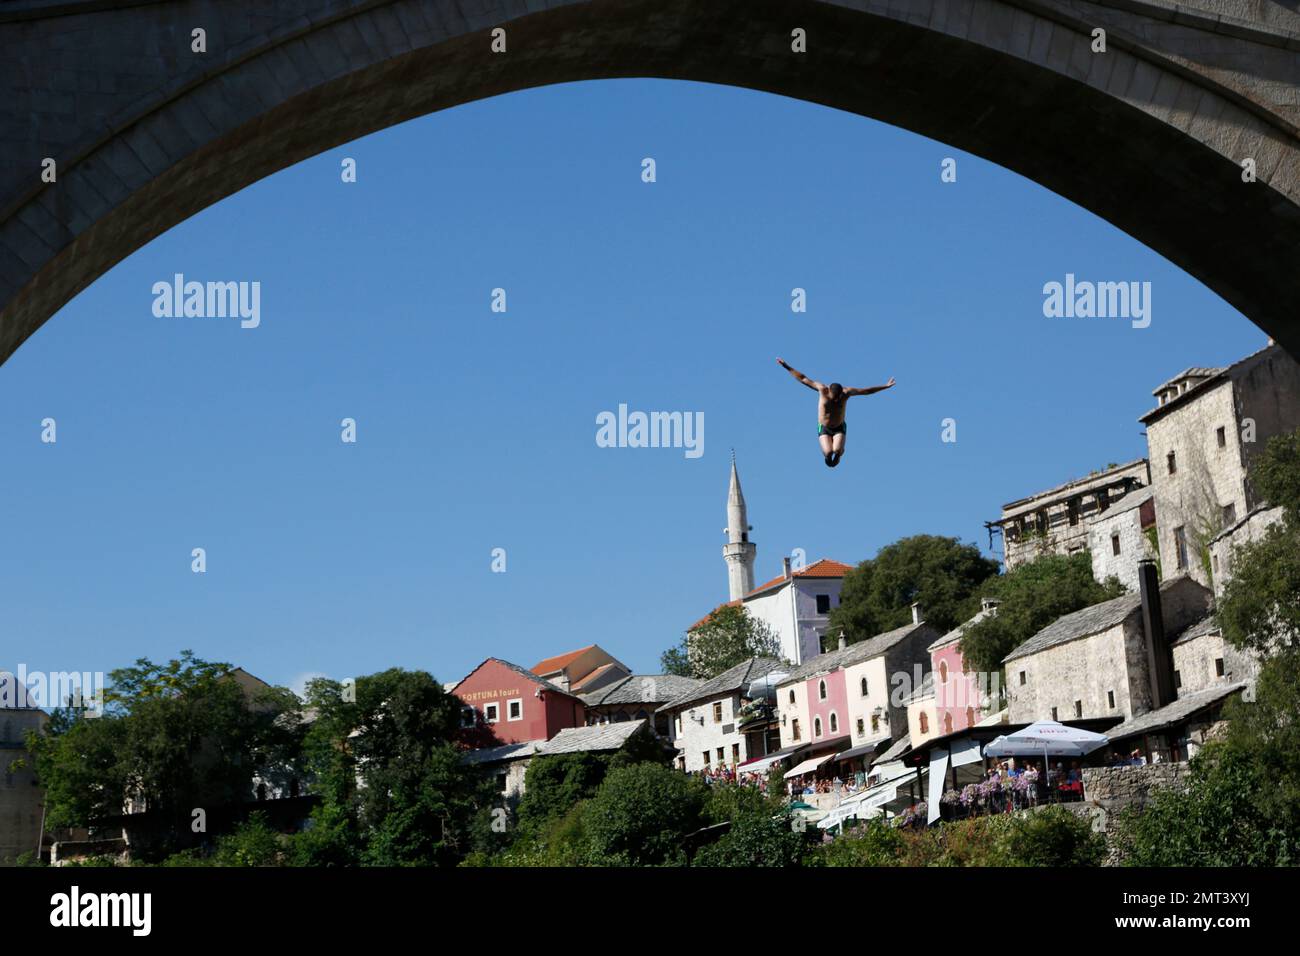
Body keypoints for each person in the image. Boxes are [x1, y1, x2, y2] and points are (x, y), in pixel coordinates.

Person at [775, 358, 896, 467]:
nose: (836, 400)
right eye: (834, 398)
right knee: (828, 452)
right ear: (829, 392)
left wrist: (885, 386)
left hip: (839, 427)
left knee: (837, 451)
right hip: (824, 427)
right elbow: (803, 378)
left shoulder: (847, 393)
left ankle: (839, 453)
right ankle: (829, 456)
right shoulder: (822, 390)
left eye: (838, 398)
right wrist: (786, 366)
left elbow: (866, 391)